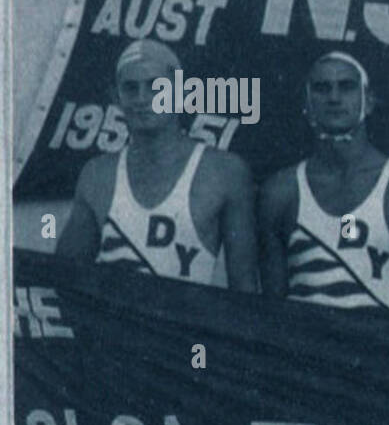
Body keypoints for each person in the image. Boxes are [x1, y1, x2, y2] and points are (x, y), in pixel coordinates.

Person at [57, 38, 258, 290]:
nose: (142, 98)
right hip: (112, 326)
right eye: (131, 88)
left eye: (156, 87)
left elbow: (246, 293)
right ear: (116, 97)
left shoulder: (224, 172)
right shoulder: (97, 174)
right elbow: (61, 274)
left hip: (181, 327)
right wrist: (46, 227)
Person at [258, 52, 389, 318]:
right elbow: (272, 310)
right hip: (305, 354)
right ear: (306, 105)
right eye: (322, 88)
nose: (334, 98)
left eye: (346, 86)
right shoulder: (280, 191)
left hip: (380, 354)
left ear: (369, 102)